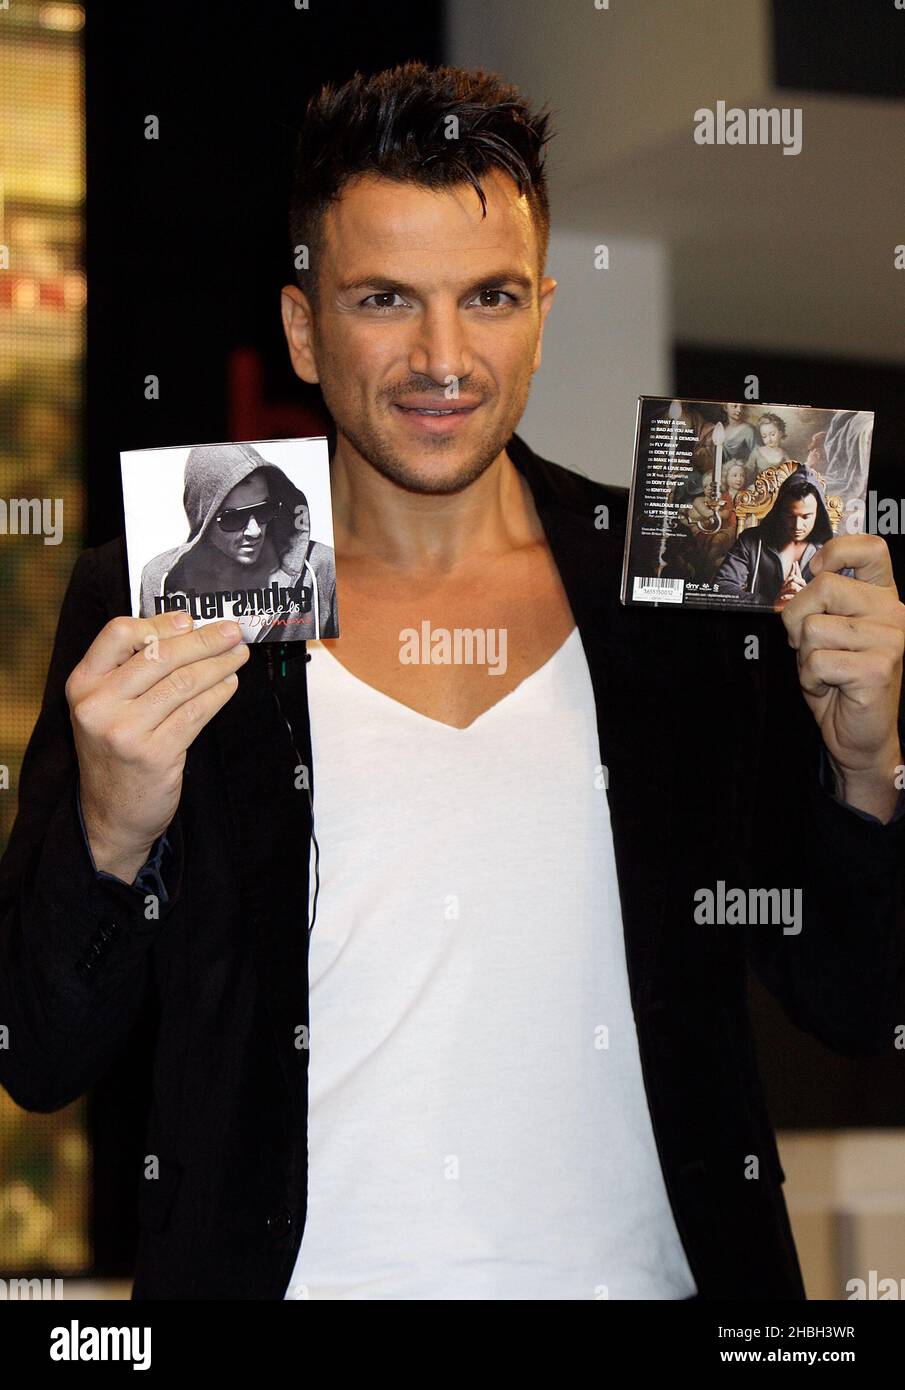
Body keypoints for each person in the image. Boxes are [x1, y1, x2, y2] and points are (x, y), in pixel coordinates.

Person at [1, 61, 904, 1302]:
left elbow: (855, 1003)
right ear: (303, 330)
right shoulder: (166, 598)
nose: (443, 357)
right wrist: (109, 834)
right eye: (385, 299)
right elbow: (39, 1052)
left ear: (539, 312)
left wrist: (865, 768)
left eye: (488, 297)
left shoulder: (683, 581)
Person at [138, 442, 338, 642]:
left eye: (264, 510)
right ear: (203, 520)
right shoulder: (160, 579)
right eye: (234, 518)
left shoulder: (321, 567)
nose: (255, 531)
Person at [714, 466, 836, 610]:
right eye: (790, 516)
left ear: (818, 514)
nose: (797, 526)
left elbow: (848, 600)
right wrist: (771, 604)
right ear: (779, 511)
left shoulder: (836, 547)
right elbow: (721, 588)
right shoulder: (751, 540)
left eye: (806, 516)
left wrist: (809, 602)